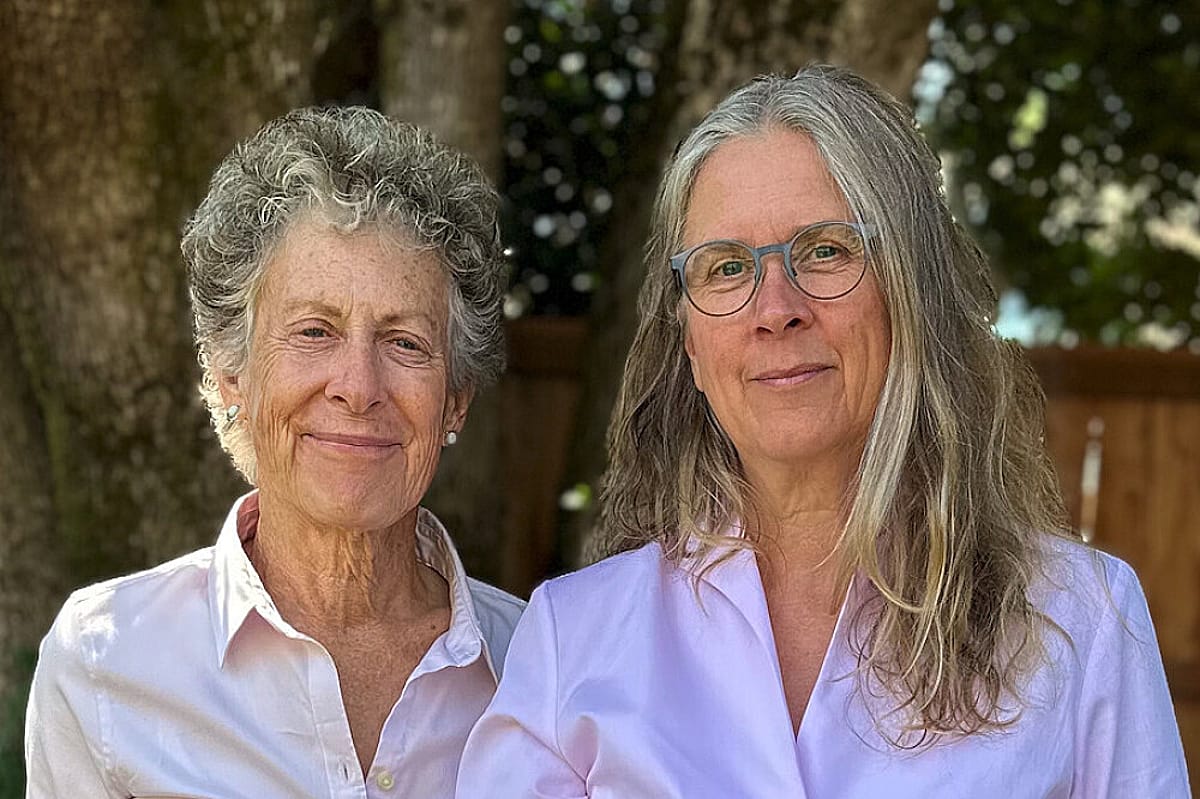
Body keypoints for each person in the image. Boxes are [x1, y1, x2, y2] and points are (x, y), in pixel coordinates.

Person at [456, 65, 1190, 797]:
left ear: (914, 292)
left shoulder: (1082, 621)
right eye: (726, 267)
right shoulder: (573, 639)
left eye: (826, 250)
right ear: (690, 346)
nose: (775, 307)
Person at [25, 106, 524, 798]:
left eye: (405, 341)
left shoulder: (538, 668)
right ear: (234, 372)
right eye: (315, 330)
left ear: (457, 397)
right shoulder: (106, 662)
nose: (358, 387)